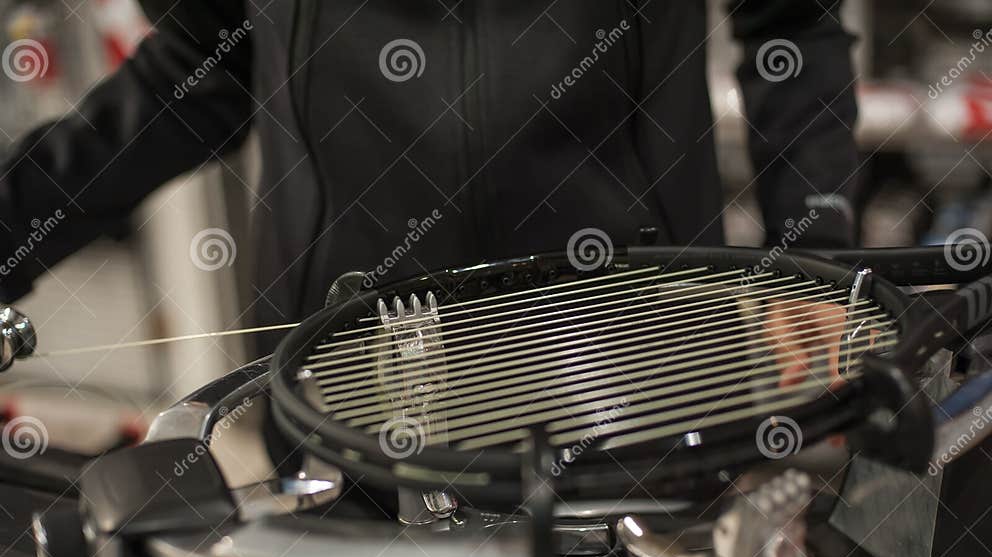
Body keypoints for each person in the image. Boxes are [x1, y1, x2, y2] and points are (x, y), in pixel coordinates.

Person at [0, 0, 859, 325]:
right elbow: (204, 68)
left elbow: (791, 22)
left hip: (627, 384)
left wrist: (820, 271)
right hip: (336, 397)